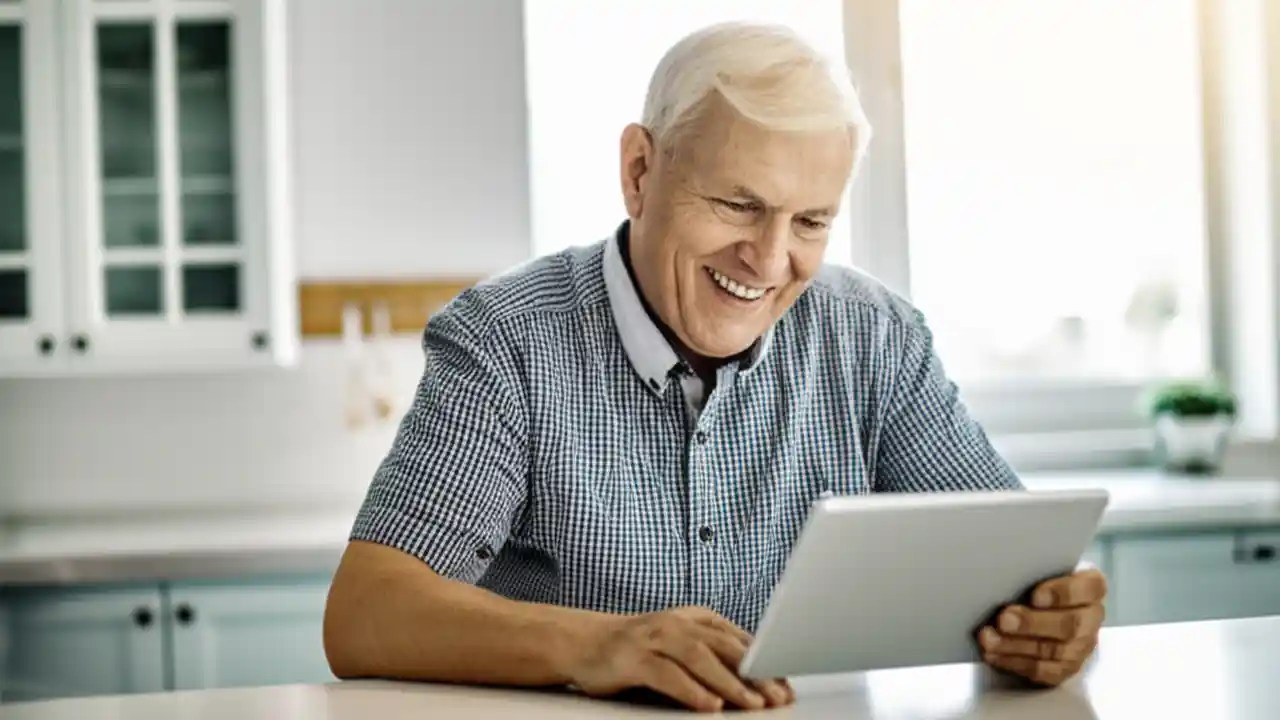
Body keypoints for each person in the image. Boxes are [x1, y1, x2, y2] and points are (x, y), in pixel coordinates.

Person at [323, 22, 1108, 713]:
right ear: (639, 171)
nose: (768, 260)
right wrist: (598, 645)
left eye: (810, 222)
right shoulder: (507, 342)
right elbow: (366, 614)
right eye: (738, 205)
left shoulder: (875, 339)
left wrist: (1053, 619)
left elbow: (1019, 567)